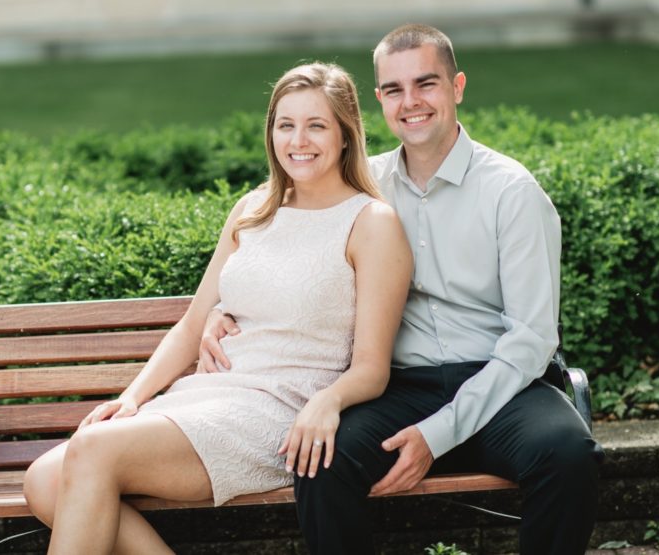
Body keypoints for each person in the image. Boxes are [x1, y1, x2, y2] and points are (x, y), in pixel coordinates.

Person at [199, 24, 604, 555]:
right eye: (394, 90)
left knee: (568, 454)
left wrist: (437, 435)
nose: (410, 102)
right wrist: (220, 309)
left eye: (426, 84)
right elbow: (276, 234)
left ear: (457, 87)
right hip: (396, 388)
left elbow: (530, 342)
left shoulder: (512, 193)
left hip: (503, 386)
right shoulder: (361, 188)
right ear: (378, 102)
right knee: (321, 460)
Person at [22, 62, 412, 554]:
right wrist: (133, 397)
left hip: (282, 412)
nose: (299, 140)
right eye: (285, 124)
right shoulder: (253, 208)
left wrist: (326, 402)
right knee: (43, 481)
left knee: (93, 452)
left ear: (345, 135)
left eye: (317, 125)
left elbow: (372, 369)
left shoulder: (371, 222)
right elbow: (191, 324)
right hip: (209, 394)